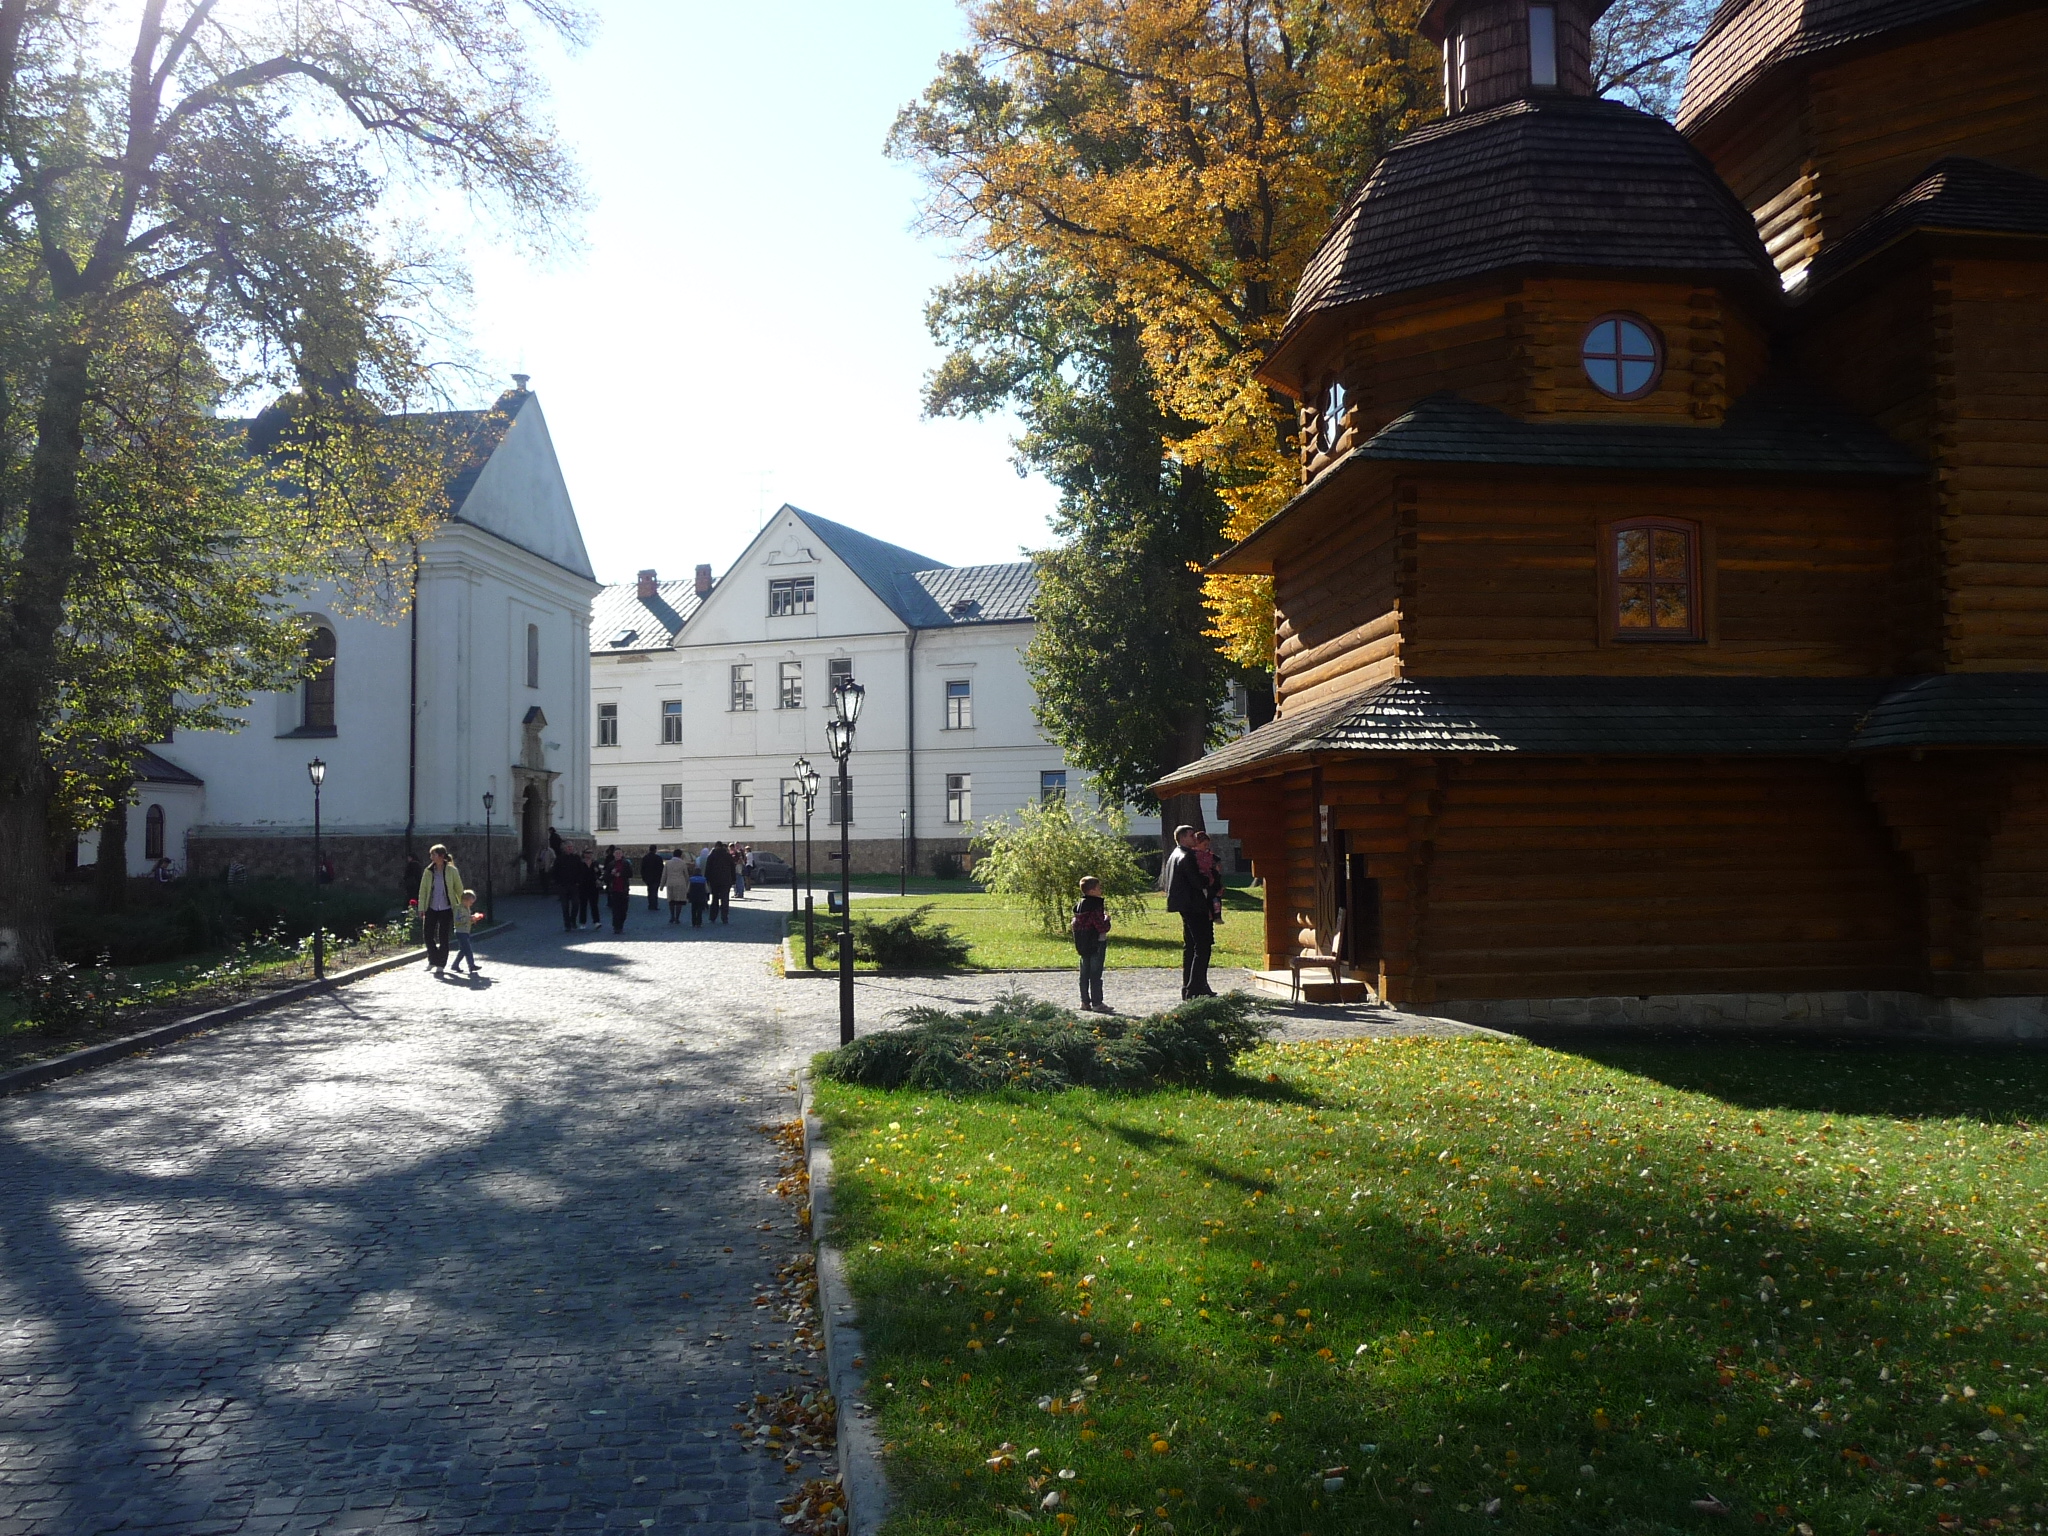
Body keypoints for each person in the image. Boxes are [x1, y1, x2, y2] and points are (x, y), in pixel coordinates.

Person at [1162, 824, 1215, 999]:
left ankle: (1191, 986)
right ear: (1183, 837)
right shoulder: (1187, 856)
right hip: (1194, 906)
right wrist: (1210, 879)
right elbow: (1198, 882)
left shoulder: (1174, 855)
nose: (1195, 838)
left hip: (1184, 905)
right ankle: (1195, 988)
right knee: (1203, 946)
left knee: (1191, 947)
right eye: (1192, 835)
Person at [415, 843, 465, 975]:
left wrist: (463, 907)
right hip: (431, 907)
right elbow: (423, 890)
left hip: (446, 908)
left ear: (441, 856)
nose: (431, 857)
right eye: (431, 854)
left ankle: (441, 964)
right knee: (428, 935)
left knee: (443, 937)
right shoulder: (428, 871)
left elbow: (459, 889)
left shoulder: (452, 871)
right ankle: (433, 960)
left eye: (433, 854)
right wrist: (421, 908)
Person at [1072, 875, 1111, 1013]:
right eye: (1099, 888)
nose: (1101, 890)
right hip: (1096, 943)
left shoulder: (1079, 906)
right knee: (1095, 974)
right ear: (1093, 890)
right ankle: (1097, 1002)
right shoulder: (1096, 906)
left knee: (1084, 974)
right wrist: (1107, 919)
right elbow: (1101, 927)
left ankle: (1084, 1001)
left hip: (1082, 943)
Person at [449, 888, 486, 976]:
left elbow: (468, 919)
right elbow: (458, 920)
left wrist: (474, 919)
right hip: (460, 931)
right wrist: (470, 918)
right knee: (468, 949)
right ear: (465, 900)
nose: (471, 904)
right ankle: (471, 965)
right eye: (470, 902)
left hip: (465, 931)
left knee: (463, 950)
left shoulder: (467, 908)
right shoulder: (459, 908)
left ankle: (455, 965)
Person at [1192, 829, 1225, 923]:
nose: (1206, 847)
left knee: (1216, 898)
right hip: (1204, 881)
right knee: (1208, 898)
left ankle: (1217, 915)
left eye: (1208, 845)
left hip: (1213, 880)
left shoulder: (1209, 855)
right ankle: (1209, 914)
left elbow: (1216, 863)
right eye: (1204, 845)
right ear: (1197, 844)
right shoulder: (1194, 855)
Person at [704, 841, 736, 923]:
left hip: (714, 880)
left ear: (715, 846)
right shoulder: (727, 856)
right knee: (725, 899)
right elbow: (733, 869)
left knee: (715, 899)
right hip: (726, 880)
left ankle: (713, 917)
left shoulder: (711, 856)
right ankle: (724, 917)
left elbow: (708, 869)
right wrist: (733, 880)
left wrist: (707, 879)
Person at [555, 843, 584, 931]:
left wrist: (579, 881)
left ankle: (573, 920)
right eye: (568, 847)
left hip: (574, 885)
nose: (570, 848)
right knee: (565, 906)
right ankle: (567, 924)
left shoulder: (576, 858)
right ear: (564, 849)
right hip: (563, 885)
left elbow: (581, 870)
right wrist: (558, 882)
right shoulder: (559, 859)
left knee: (576, 904)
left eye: (571, 847)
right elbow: (555, 871)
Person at [604, 846, 632, 933]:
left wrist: (621, 874)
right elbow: (606, 877)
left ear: (622, 854)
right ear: (614, 854)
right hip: (614, 889)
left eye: (620, 853)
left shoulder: (626, 863)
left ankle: (621, 923)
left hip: (623, 889)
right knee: (615, 909)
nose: (618, 855)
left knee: (623, 909)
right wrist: (612, 874)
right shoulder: (611, 864)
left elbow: (630, 874)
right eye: (616, 853)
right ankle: (616, 926)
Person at [662, 848, 692, 923]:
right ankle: (677, 918)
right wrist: (688, 885)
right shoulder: (683, 863)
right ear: (681, 855)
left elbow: (664, 875)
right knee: (679, 901)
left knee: (671, 900)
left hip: (670, 883)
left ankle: (672, 916)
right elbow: (686, 875)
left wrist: (662, 885)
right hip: (680, 883)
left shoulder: (668, 863)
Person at [579, 845, 602, 928]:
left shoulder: (595, 863)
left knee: (594, 905)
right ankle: (582, 922)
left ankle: (596, 922)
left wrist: (599, 878)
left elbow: (599, 873)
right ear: (584, 854)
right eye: (587, 853)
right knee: (583, 905)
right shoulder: (580, 863)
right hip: (583, 886)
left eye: (591, 853)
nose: (589, 854)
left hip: (593, 886)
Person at [641, 844, 664, 911]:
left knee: (650, 890)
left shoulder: (645, 858)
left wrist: (643, 877)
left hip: (648, 877)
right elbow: (661, 869)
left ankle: (650, 904)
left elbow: (643, 868)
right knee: (655, 891)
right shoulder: (658, 858)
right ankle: (654, 905)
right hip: (656, 877)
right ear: (655, 850)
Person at [687, 863, 710, 927]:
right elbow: (707, 889)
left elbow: (688, 889)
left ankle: (693, 922)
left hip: (693, 896)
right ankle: (699, 922)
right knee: (700, 910)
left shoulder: (691, 879)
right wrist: (707, 896)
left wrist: (688, 895)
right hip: (701, 896)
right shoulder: (703, 879)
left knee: (693, 909)